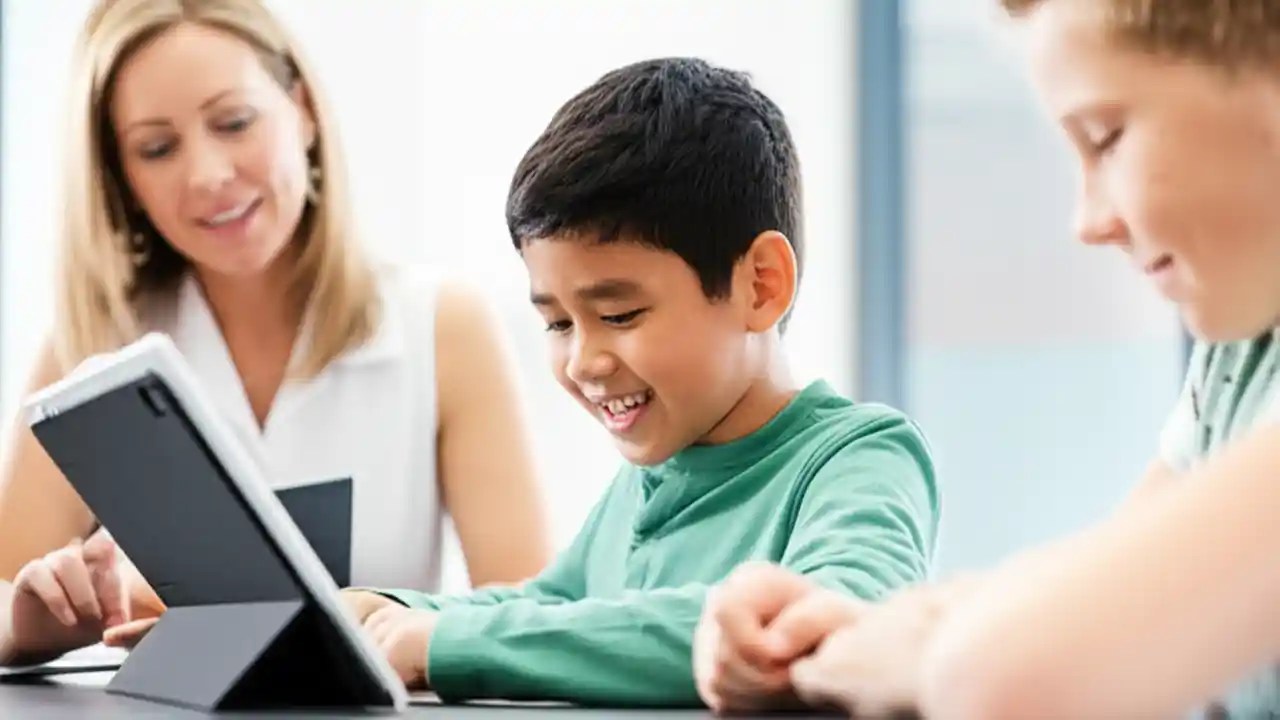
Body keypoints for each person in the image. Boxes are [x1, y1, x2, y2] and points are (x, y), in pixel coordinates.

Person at [696, 1, 1280, 718]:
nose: (1088, 221)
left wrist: (912, 653)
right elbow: (1091, 591)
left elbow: (1012, 681)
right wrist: (851, 632)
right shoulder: (1244, 352)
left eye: (1106, 139)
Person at [338, 56, 941, 707]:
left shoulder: (860, 458)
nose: (583, 362)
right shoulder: (650, 475)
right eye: (559, 323)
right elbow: (547, 607)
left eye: (619, 314)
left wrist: (446, 642)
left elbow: (818, 630)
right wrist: (389, 610)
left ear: (760, 284)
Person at [0, 0, 551, 667]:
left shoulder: (444, 326)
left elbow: (527, 619)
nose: (207, 175)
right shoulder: (92, 342)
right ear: (123, 180)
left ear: (303, 110)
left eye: (234, 122)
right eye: (156, 148)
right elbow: (7, 594)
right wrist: (27, 629)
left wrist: (388, 627)